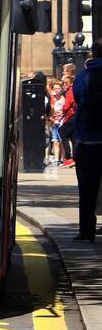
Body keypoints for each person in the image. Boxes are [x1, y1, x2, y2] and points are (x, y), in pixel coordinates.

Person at [70, 39, 102, 241]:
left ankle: (87, 230)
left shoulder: (82, 76)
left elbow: (76, 100)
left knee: (87, 188)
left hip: (86, 141)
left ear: (92, 53)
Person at [61, 62, 78, 168]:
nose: (63, 84)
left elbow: (67, 105)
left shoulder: (70, 89)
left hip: (71, 115)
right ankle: (75, 158)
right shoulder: (73, 84)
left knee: (62, 132)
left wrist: (62, 110)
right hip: (74, 115)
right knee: (72, 137)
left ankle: (68, 158)